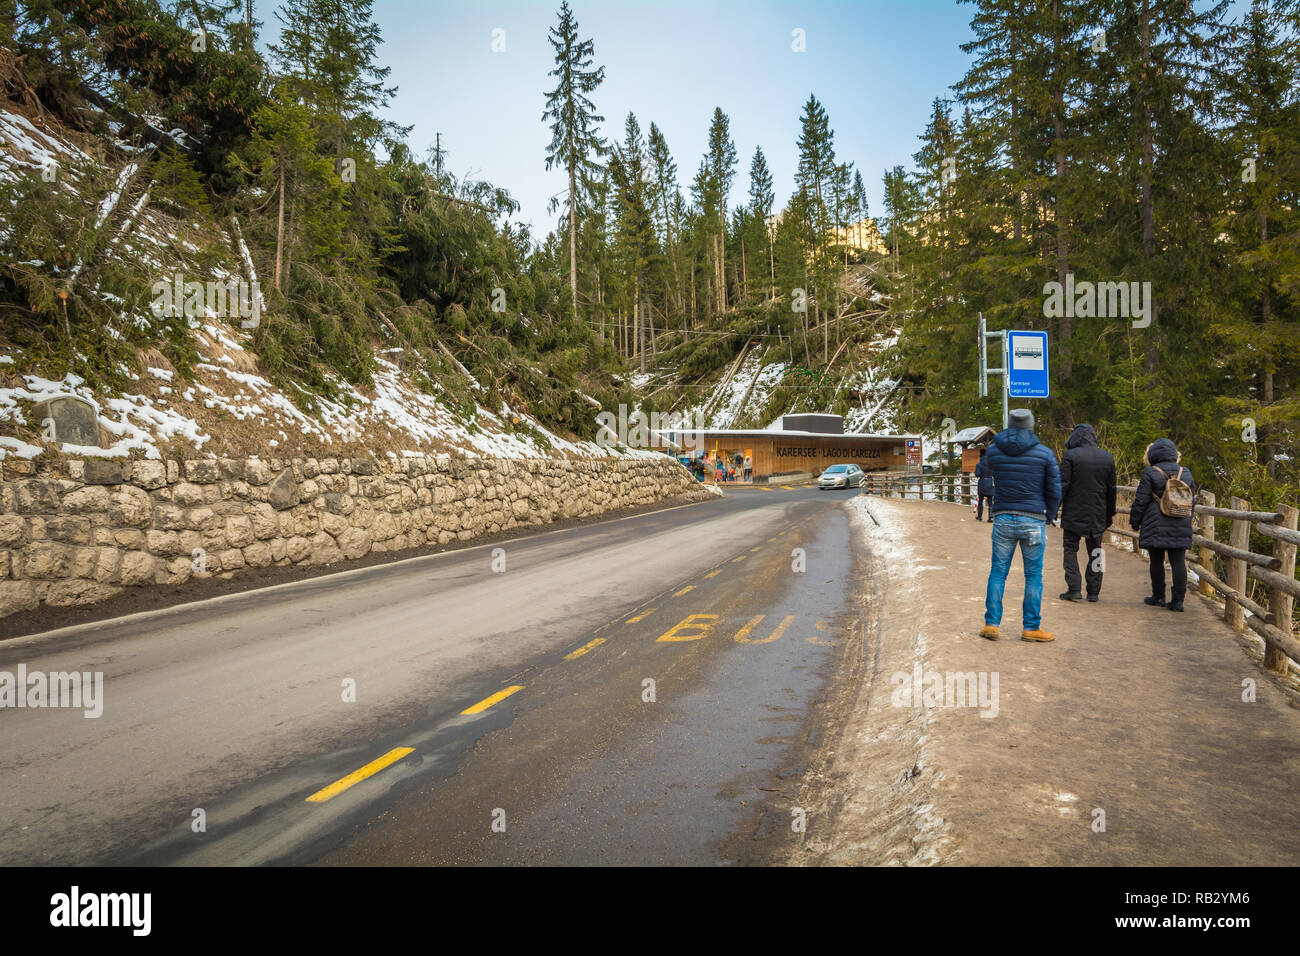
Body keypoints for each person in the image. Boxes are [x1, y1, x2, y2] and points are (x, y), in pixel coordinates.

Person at [981, 408, 1062, 643]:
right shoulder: (1044, 454)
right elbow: (1054, 489)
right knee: (1033, 575)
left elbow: (987, 471)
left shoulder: (994, 451)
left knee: (998, 572)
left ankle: (991, 624)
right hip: (1034, 519)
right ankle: (1031, 627)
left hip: (1004, 517)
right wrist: (1049, 514)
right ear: (1030, 426)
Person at [1129, 438, 1196, 612]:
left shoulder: (1151, 472)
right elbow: (1192, 500)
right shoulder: (1185, 472)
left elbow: (1141, 500)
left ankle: (1158, 597)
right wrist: (1188, 519)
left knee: (1156, 561)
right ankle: (1178, 601)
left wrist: (1135, 522)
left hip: (1155, 522)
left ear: (1153, 455)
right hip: (1180, 521)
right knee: (1178, 562)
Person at [1056, 424, 1117, 603]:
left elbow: (1063, 485)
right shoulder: (1107, 457)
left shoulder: (1070, 456)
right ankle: (1094, 591)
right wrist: (1110, 513)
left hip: (1074, 511)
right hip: (1098, 512)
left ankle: (1074, 588)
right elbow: (1111, 489)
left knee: (1070, 549)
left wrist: (1053, 508)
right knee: (1097, 551)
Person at [975, 446, 994, 522]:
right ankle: (990, 518)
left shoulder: (979, 464)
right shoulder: (991, 464)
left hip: (982, 482)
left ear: (980, 455)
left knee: (980, 500)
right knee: (990, 501)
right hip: (990, 482)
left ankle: (979, 516)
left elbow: (977, 474)